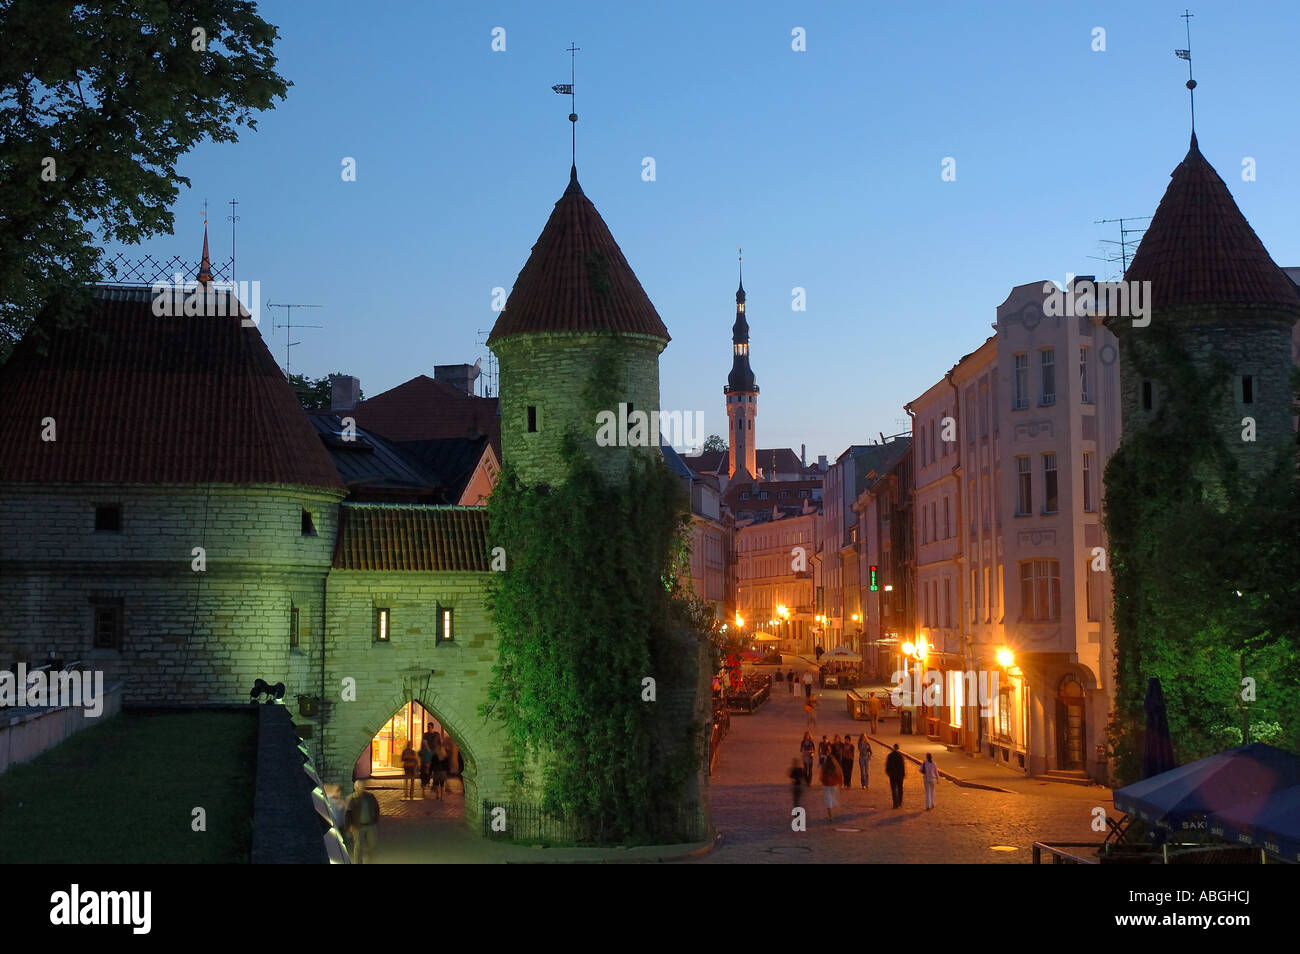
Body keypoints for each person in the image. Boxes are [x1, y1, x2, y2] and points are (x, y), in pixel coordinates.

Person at [344, 779, 380, 864]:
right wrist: (348, 827)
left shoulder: (370, 797)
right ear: (355, 788)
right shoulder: (351, 799)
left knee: (373, 845)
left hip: (370, 825)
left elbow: (376, 808)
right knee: (358, 847)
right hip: (357, 826)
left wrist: (375, 819)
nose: (361, 789)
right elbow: (347, 814)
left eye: (362, 787)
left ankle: (368, 861)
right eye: (359, 787)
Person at [821, 745, 843, 821]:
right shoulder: (835, 766)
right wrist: (840, 784)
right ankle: (831, 814)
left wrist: (822, 781)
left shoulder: (825, 766)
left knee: (828, 800)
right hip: (834, 785)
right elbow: (839, 774)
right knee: (831, 798)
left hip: (827, 784)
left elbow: (822, 775)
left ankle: (830, 816)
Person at [885, 743, 906, 808]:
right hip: (899, 775)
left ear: (893, 748)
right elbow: (902, 766)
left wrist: (888, 772)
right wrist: (903, 774)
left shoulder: (890, 755)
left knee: (894, 789)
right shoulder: (900, 756)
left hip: (892, 775)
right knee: (900, 789)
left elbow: (887, 765)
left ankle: (895, 803)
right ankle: (899, 802)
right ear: (898, 748)